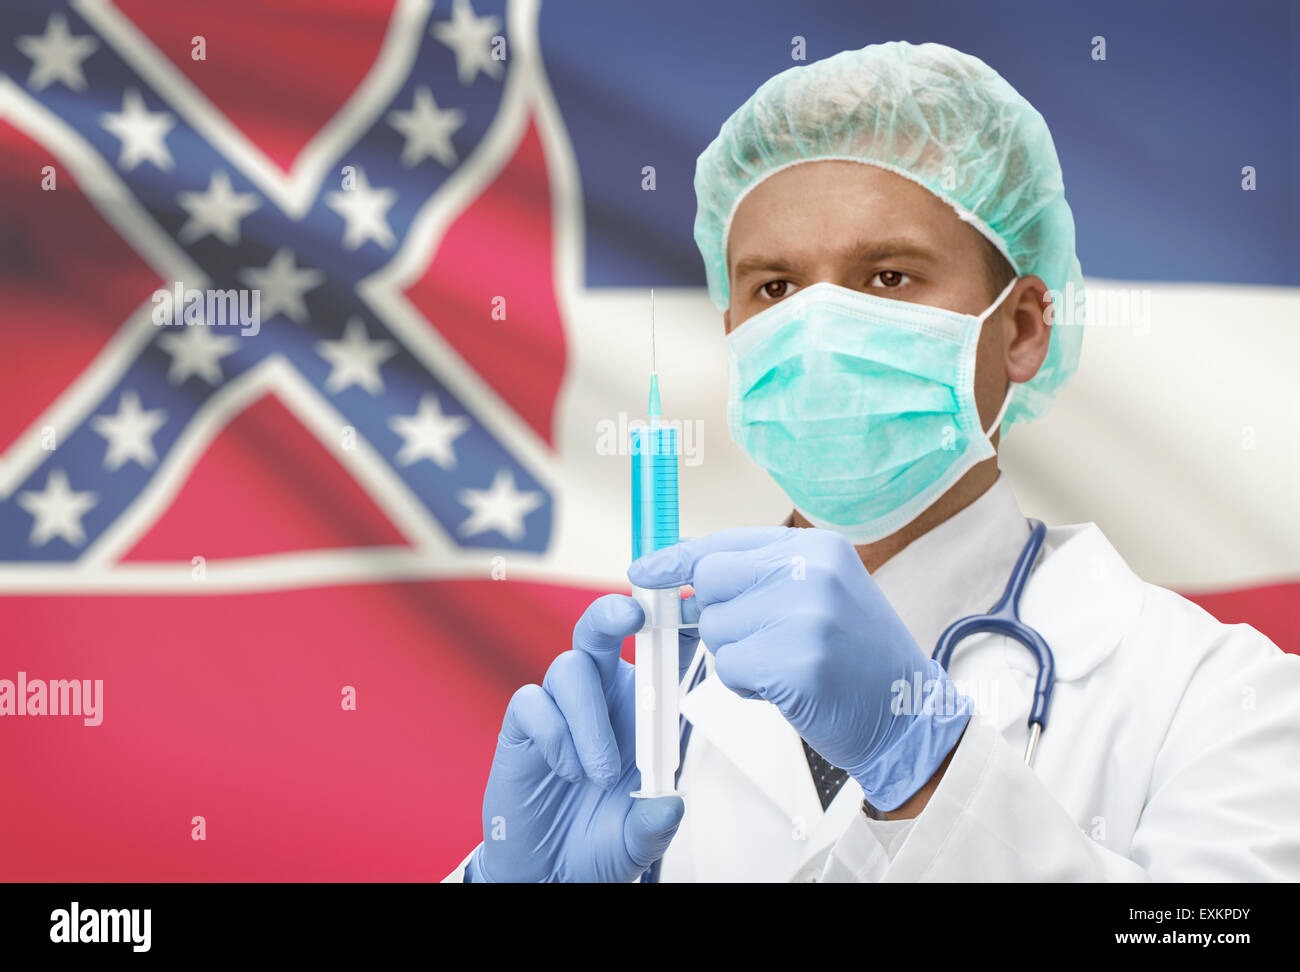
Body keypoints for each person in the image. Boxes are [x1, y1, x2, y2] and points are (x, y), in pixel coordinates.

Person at [445, 41, 1300, 882]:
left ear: (1025, 327)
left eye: (888, 277)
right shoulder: (653, 709)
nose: (818, 329)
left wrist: (925, 768)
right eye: (774, 287)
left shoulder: (1223, 699)